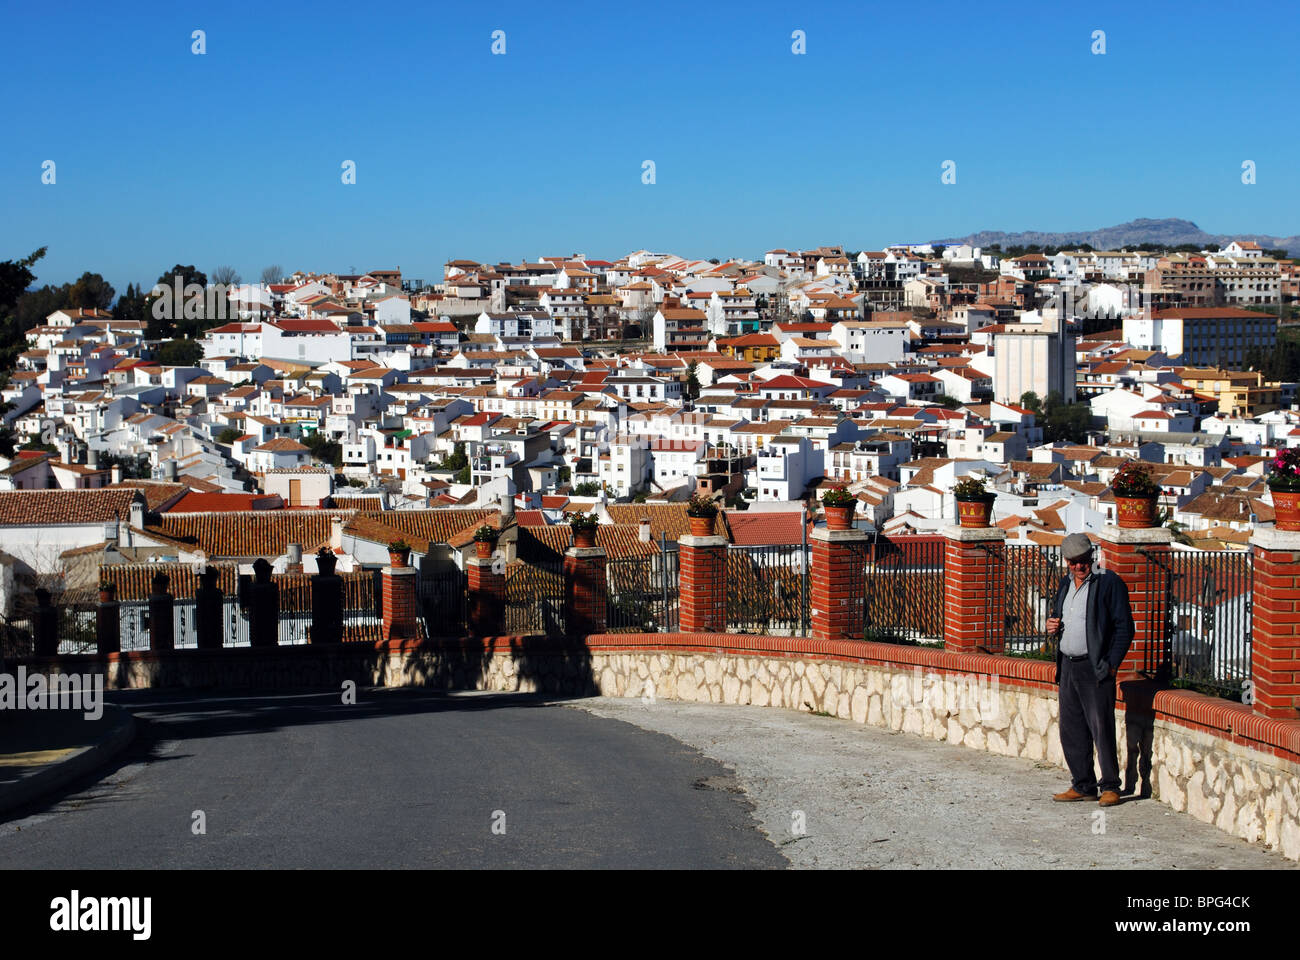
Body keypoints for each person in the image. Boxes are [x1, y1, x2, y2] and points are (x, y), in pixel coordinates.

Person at [1044, 532, 1134, 807]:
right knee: (1071, 729)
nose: (1078, 567)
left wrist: (1110, 665)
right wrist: (1052, 626)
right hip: (1068, 665)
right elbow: (1060, 617)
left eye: (1082, 561)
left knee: (1101, 728)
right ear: (1066, 562)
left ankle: (1110, 786)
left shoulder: (1108, 583)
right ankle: (1083, 784)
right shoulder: (1064, 584)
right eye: (1072, 562)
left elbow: (1124, 628)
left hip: (1094, 668)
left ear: (1091, 557)